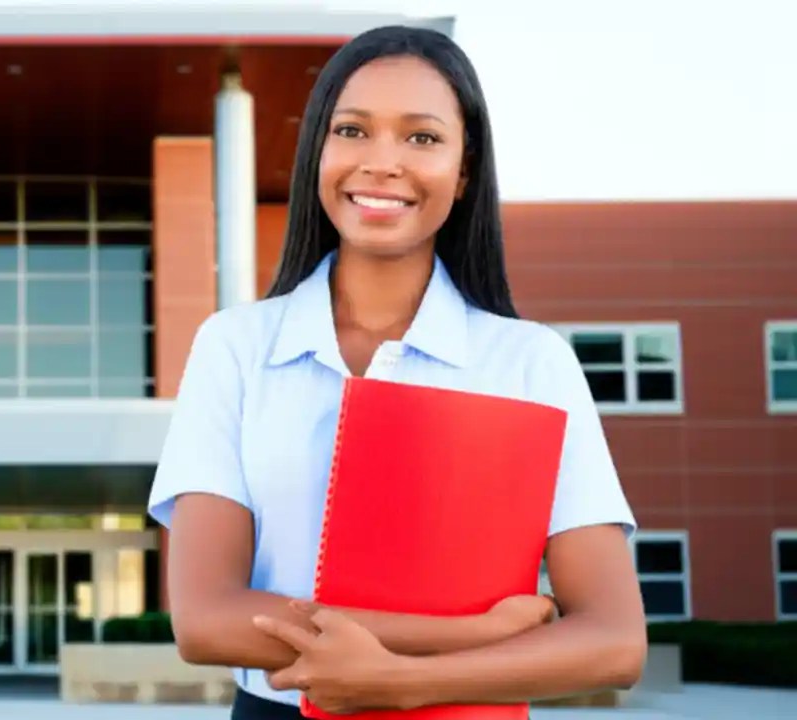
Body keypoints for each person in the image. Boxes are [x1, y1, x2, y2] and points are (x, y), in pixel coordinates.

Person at [146, 25, 648, 720]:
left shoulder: (531, 363)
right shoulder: (235, 347)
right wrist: (473, 637)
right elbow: (205, 620)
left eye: (422, 138)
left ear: (465, 169)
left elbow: (615, 643)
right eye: (352, 130)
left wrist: (400, 681)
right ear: (317, 150)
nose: (382, 163)